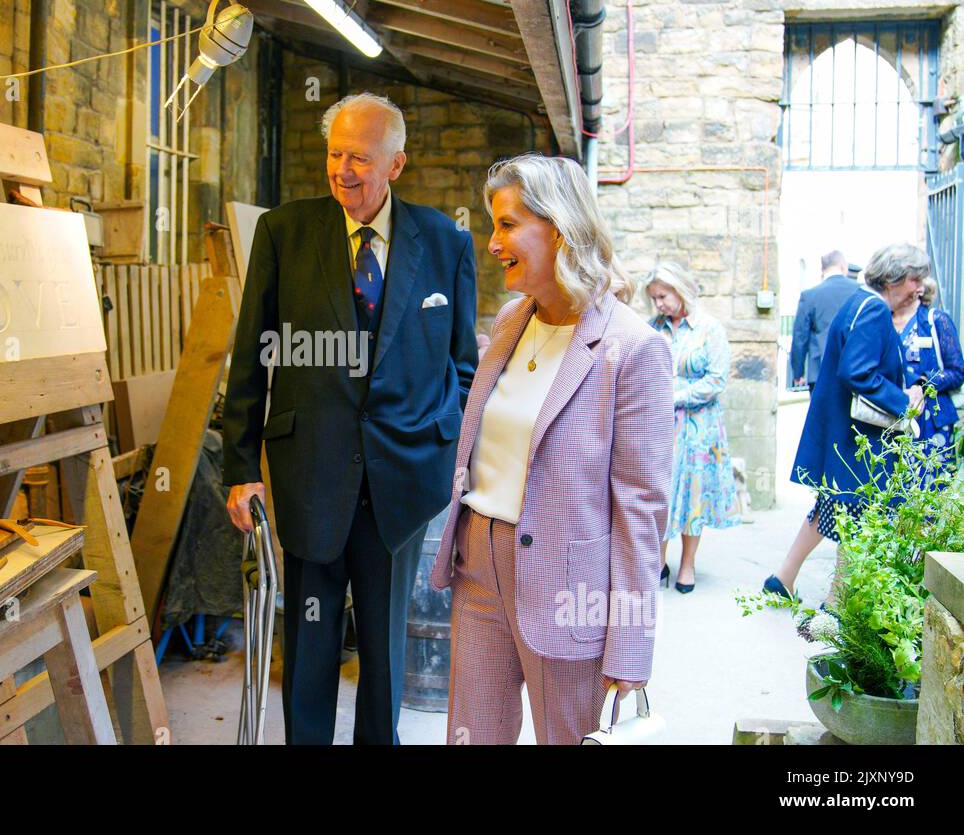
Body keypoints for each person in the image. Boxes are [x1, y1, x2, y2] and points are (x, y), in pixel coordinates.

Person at [221, 92, 478, 745]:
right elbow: (251, 354)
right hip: (310, 472)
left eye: (359, 157)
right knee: (309, 639)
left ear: (396, 164)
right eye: (335, 154)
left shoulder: (446, 242)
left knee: (384, 651)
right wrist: (241, 466)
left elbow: (464, 365)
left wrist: (448, 450)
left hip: (403, 478)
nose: (343, 170)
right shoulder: (284, 232)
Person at [430, 153, 672, 745]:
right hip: (479, 561)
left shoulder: (631, 348)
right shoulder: (513, 320)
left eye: (508, 224)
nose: (492, 243)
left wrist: (632, 640)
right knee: (472, 735)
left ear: (560, 227)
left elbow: (641, 508)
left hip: (572, 587)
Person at [764, 243, 930, 600]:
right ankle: (836, 606)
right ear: (895, 277)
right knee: (856, 516)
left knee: (831, 508)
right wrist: (905, 401)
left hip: (842, 432)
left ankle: (784, 578)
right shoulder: (874, 310)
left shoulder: (859, 302)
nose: (919, 288)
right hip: (857, 438)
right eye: (915, 279)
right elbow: (857, 372)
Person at [644, 262, 740, 593]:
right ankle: (657, 560)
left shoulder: (709, 329)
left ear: (680, 289)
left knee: (692, 495)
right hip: (659, 426)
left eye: (663, 296)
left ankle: (688, 563)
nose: (659, 304)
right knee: (661, 492)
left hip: (699, 427)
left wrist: (675, 395)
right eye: (654, 298)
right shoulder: (652, 328)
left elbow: (716, 380)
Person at [891, 275, 964, 454]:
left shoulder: (936, 320)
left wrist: (923, 383)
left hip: (930, 421)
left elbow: (957, 371)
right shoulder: (883, 321)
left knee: (931, 479)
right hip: (891, 416)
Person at [790, 250, 862, 392]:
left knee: (821, 414)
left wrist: (798, 372)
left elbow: (800, 337)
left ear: (822, 270)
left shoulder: (809, 295)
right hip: (854, 369)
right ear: (844, 266)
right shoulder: (860, 292)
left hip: (819, 370)